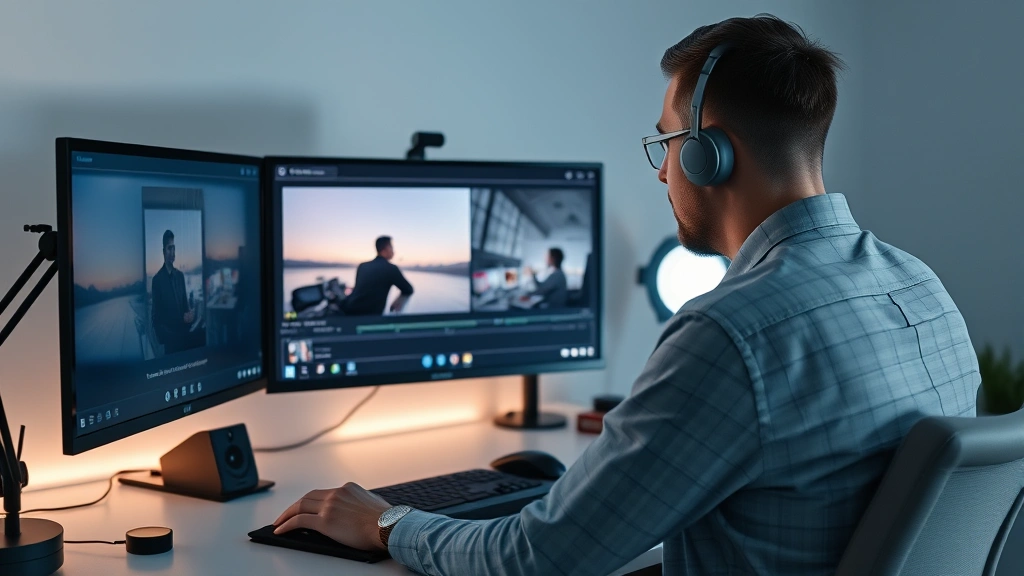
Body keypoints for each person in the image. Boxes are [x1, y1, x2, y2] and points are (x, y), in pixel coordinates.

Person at [273, 15, 979, 575]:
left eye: (665, 142)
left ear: (708, 153)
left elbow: (537, 559)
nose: (662, 171)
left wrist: (387, 521)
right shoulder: (923, 286)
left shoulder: (733, 334)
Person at [151, 229, 203, 354]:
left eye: (174, 248)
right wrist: (171, 337)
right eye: (169, 248)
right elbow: (156, 319)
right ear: (163, 251)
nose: (172, 252)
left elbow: (185, 307)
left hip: (185, 336)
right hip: (171, 344)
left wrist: (190, 316)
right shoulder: (157, 280)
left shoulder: (180, 276)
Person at [341, 236, 414, 316]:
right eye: (391, 247)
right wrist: (398, 300)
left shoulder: (362, 266)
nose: (393, 251)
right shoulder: (391, 269)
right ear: (386, 248)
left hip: (347, 310)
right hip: (369, 317)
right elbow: (408, 289)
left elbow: (358, 289)